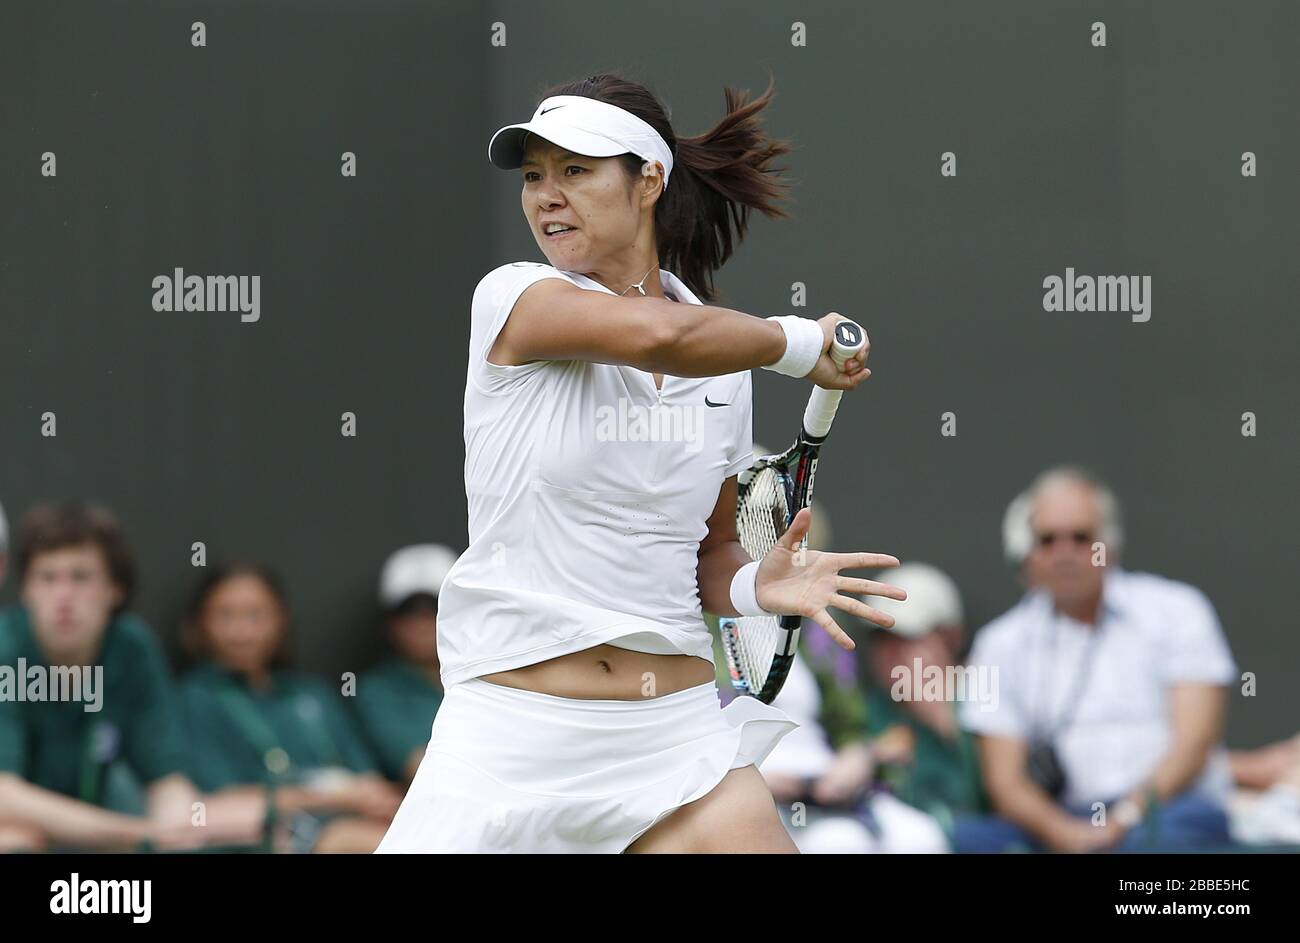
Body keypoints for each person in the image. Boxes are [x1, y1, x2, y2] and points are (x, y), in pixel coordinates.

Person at [376, 72, 905, 854]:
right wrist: (800, 343)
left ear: (649, 180)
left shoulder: (724, 359)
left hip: (674, 740)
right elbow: (660, 338)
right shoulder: (514, 298)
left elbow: (707, 554)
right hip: (510, 740)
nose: (546, 196)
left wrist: (756, 585)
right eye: (533, 176)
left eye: (576, 170)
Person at [956, 466, 1237, 852]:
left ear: (1111, 544)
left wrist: (1123, 818)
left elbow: (1194, 743)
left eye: (1081, 538)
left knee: (1159, 840)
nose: (1064, 553)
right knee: (968, 839)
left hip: (1163, 810)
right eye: (1047, 539)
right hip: (1060, 818)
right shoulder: (1000, 642)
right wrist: (1063, 833)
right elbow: (1005, 782)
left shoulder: (1177, 610)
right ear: (1027, 552)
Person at [0, 501, 255, 852]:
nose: (63, 595)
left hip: (98, 829)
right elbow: (4, 796)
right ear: (26, 589)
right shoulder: (6, 648)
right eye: (46, 577)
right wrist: (134, 833)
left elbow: (167, 783)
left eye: (80, 577)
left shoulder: (132, 648)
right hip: (35, 831)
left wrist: (181, 834)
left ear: (114, 590)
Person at [177, 562, 402, 853]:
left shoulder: (312, 692)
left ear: (281, 619)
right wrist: (337, 799)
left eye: (256, 615)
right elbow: (219, 799)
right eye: (224, 615)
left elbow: (365, 775)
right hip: (281, 836)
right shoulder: (195, 696)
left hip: (361, 822)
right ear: (200, 623)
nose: (241, 631)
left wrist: (377, 799)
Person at [353, 544, 452, 785]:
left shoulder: (494, 676)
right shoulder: (375, 691)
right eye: (408, 611)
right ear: (390, 623)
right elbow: (423, 770)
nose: (421, 623)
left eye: (435, 608)